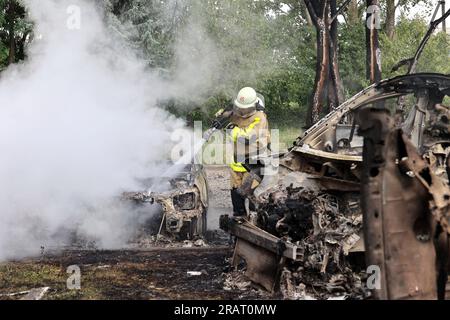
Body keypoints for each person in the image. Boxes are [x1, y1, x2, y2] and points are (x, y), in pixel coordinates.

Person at [225, 87, 271, 216]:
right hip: (237, 162)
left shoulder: (260, 117)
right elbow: (227, 120)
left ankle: (255, 220)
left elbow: (248, 137)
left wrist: (231, 130)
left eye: (245, 108)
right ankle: (239, 217)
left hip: (254, 163)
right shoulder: (236, 115)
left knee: (252, 193)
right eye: (240, 107)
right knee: (236, 192)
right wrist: (223, 114)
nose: (242, 110)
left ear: (253, 105)